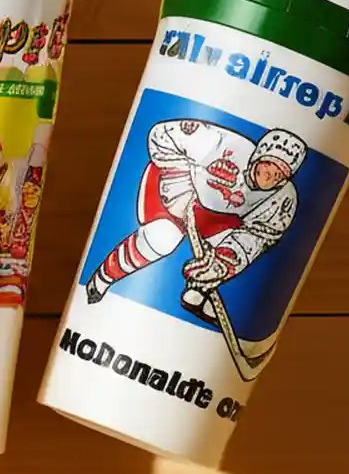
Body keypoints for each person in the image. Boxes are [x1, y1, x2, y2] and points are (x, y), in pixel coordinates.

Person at [85, 119, 305, 322]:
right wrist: (178, 182)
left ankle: (199, 290)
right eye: (268, 167)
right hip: (173, 190)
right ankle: (104, 277)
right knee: (160, 238)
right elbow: (162, 135)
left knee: (221, 258)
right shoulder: (221, 142)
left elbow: (259, 236)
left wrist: (224, 263)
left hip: (217, 218)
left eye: (279, 175)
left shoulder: (283, 198)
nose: (269, 177)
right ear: (258, 157)